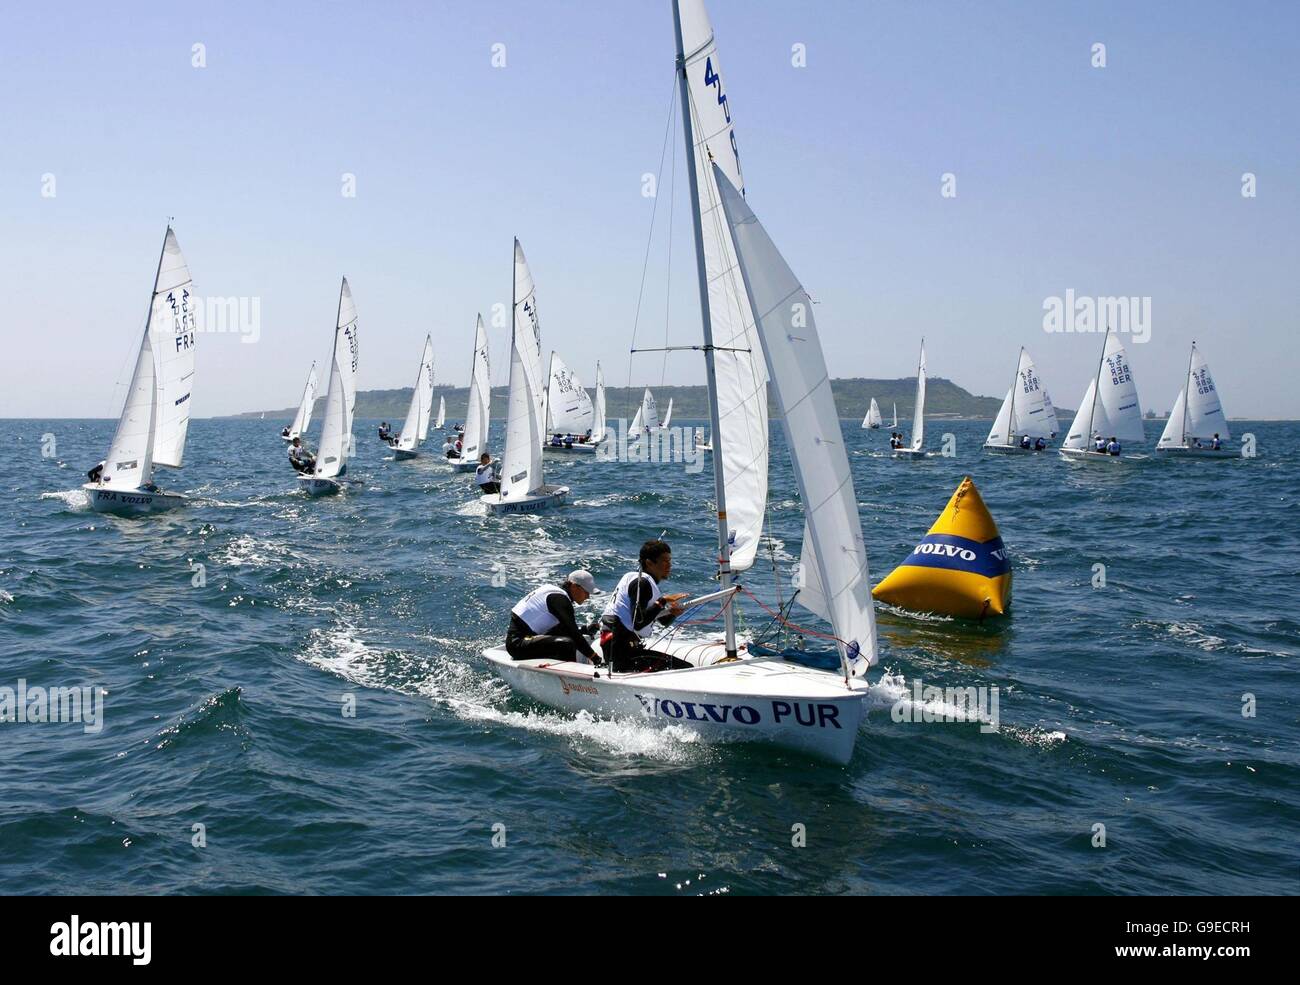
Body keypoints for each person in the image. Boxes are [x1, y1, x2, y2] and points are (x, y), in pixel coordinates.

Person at [599, 539, 692, 673]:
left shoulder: (639, 581)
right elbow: (638, 622)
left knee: (679, 666)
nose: (669, 565)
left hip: (623, 649)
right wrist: (663, 600)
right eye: (665, 561)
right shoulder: (642, 583)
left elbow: (662, 620)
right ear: (649, 563)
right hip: (622, 653)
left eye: (670, 560)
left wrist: (673, 614)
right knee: (686, 669)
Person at [505, 571, 603, 664]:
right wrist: (594, 657)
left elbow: (563, 629)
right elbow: (573, 634)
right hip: (517, 645)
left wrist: (584, 630)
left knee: (569, 637)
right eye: (586, 592)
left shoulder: (555, 594)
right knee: (566, 644)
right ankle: (568, 674)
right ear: (574, 587)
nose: (588, 596)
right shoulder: (559, 599)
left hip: (528, 639)